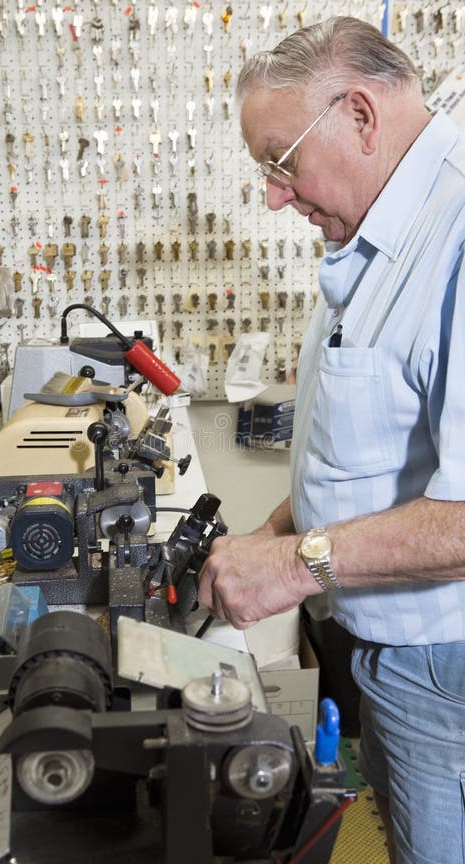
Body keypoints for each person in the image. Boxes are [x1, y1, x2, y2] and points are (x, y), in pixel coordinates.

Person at [198, 16, 465, 864]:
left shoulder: (454, 242)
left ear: (357, 114)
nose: (275, 193)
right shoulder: (373, 241)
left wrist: (291, 566)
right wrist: (274, 534)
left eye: (280, 161)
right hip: (390, 660)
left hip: (442, 672)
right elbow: (362, 456)